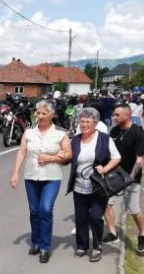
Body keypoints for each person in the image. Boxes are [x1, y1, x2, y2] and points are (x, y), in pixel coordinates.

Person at [10, 99, 72, 264]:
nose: (40, 116)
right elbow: (21, 152)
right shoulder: (29, 132)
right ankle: (36, 242)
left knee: (45, 209)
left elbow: (68, 154)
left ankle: (45, 247)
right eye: (38, 113)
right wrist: (15, 173)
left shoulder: (60, 133)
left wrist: (51, 158)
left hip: (52, 177)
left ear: (52, 115)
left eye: (44, 113)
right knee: (34, 211)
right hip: (31, 176)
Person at [66, 108, 122, 262]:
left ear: (95, 123)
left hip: (99, 186)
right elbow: (67, 157)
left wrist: (105, 168)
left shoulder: (104, 139)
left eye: (87, 122)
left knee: (95, 216)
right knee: (81, 217)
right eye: (82, 121)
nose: (83, 124)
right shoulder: (75, 140)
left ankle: (97, 246)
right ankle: (82, 246)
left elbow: (116, 158)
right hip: (79, 185)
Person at [103, 103, 144, 255]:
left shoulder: (138, 133)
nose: (114, 117)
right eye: (114, 114)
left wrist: (131, 178)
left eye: (117, 115)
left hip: (131, 177)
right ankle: (112, 232)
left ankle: (142, 234)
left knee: (133, 209)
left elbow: (140, 160)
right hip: (114, 175)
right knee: (106, 203)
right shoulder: (114, 131)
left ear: (127, 115)